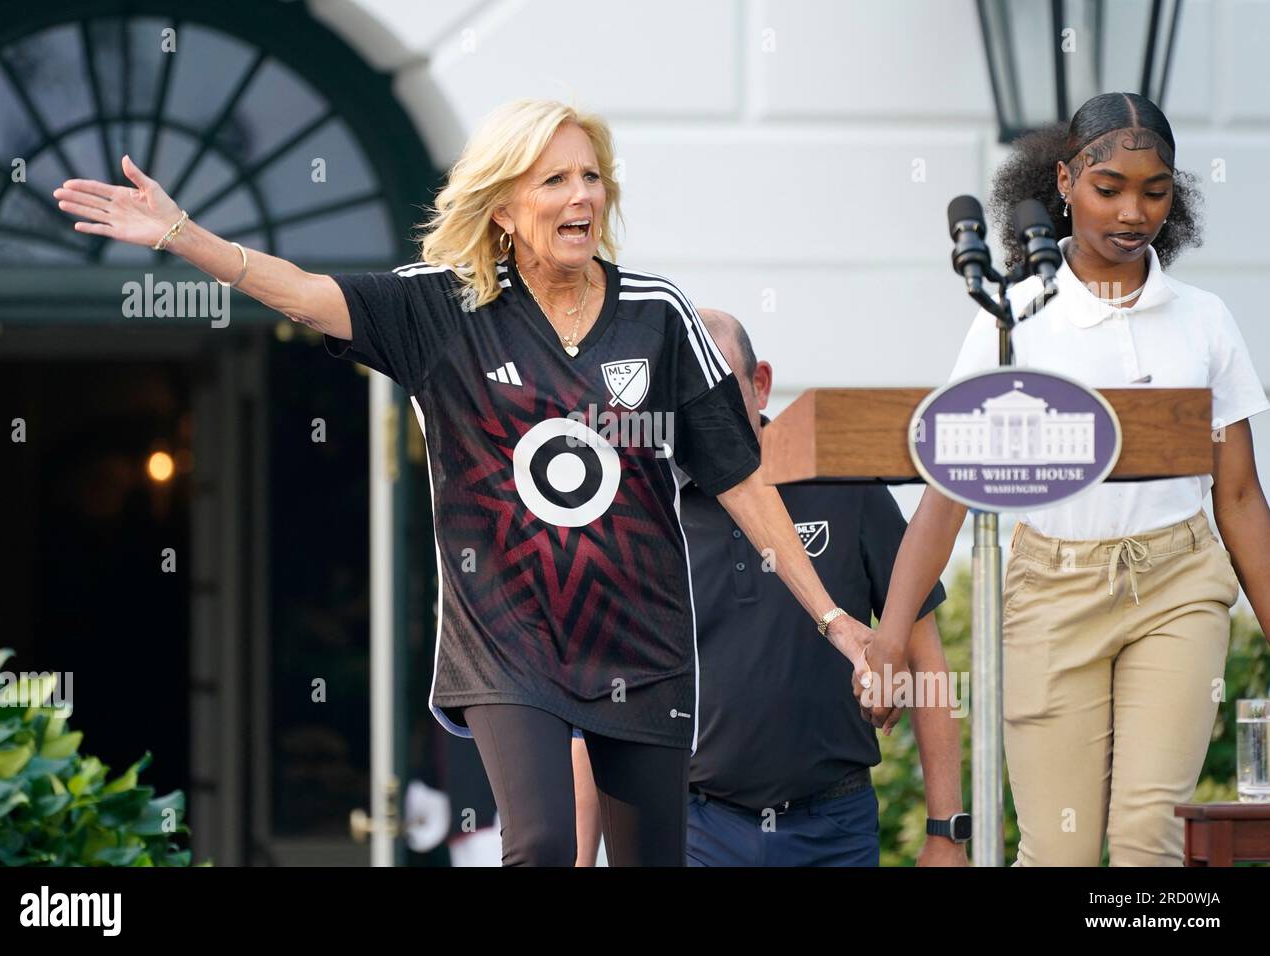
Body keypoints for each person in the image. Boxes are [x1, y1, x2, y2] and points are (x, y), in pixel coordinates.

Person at [54, 98, 877, 866]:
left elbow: (740, 480)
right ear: (505, 206)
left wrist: (837, 620)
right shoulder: (441, 311)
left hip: (643, 644)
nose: (580, 194)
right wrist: (184, 236)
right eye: (553, 179)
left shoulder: (659, 314)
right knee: (546, 842)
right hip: (507, 639)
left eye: (590, 176)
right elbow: (305, 296)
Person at [860, 92, 1270, 866]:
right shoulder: (1013, 318)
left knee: (1150, 840)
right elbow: (948, 493)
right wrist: (888, 638)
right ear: (1063, 183)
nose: (1131, 211)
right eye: (1108, 188)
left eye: (1155, 191)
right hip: (1052, 588)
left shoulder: (1205, 320)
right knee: (1061, 851)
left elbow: (1241, 495)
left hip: (1178, 580)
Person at [573, 310, 970, 867]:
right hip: (695, 829)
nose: (698, 413)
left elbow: (926, 659)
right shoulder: (644, 513)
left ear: (759, 385)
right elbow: (603, 705)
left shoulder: (842, 483)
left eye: (714, 389)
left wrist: (945, 831)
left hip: (834, 827)